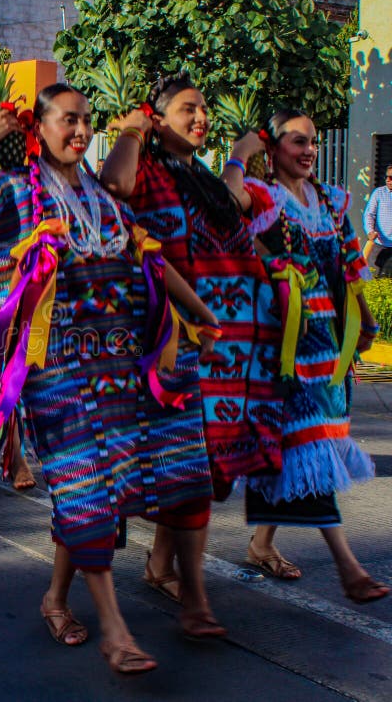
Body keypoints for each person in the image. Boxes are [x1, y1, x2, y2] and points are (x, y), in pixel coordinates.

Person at [0, 84, 225, 674]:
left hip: (120, 361)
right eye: (69, 120)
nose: (81, 131)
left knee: (159, 467)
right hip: (55, 367)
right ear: (41, 126)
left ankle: (60, 598)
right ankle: (117, 632)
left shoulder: (103, 198)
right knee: (87, 487)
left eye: (87, 121)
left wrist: (202, 318)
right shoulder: (13, 191)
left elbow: (149, 260)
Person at [100, 73, 284, 597]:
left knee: (201, 459)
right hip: (166, 338)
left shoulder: (197, 175)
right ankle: (160, 587)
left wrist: (242, 153)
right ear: (157, 119)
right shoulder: (147, 170)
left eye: (204, 109)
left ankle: (163, 567)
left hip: (221, 342)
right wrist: (133, 131)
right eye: (188, 109)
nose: (201, 117)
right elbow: (114, 186)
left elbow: (235, 214)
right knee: (183, 459)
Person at [223, 109, 389, 604]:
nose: (309, 150)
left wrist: (363, 322)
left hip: (329, 348)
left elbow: (352, 266)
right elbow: (228, 193)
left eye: (312, 141)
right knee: (309, 449)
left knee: (296, 450)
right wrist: (239, 152)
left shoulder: (332, 202)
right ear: (272, 150)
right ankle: (349, 567)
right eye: (297, 141)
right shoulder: (265, 198)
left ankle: (260, 544)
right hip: (284, 349)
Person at [362, 164, 392, 274]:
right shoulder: (378, 193)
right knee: (375, 277)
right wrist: (370, 231)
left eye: (391, 177)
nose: (388, 180)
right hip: (380, 245)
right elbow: (369, 214)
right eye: (386, 177)